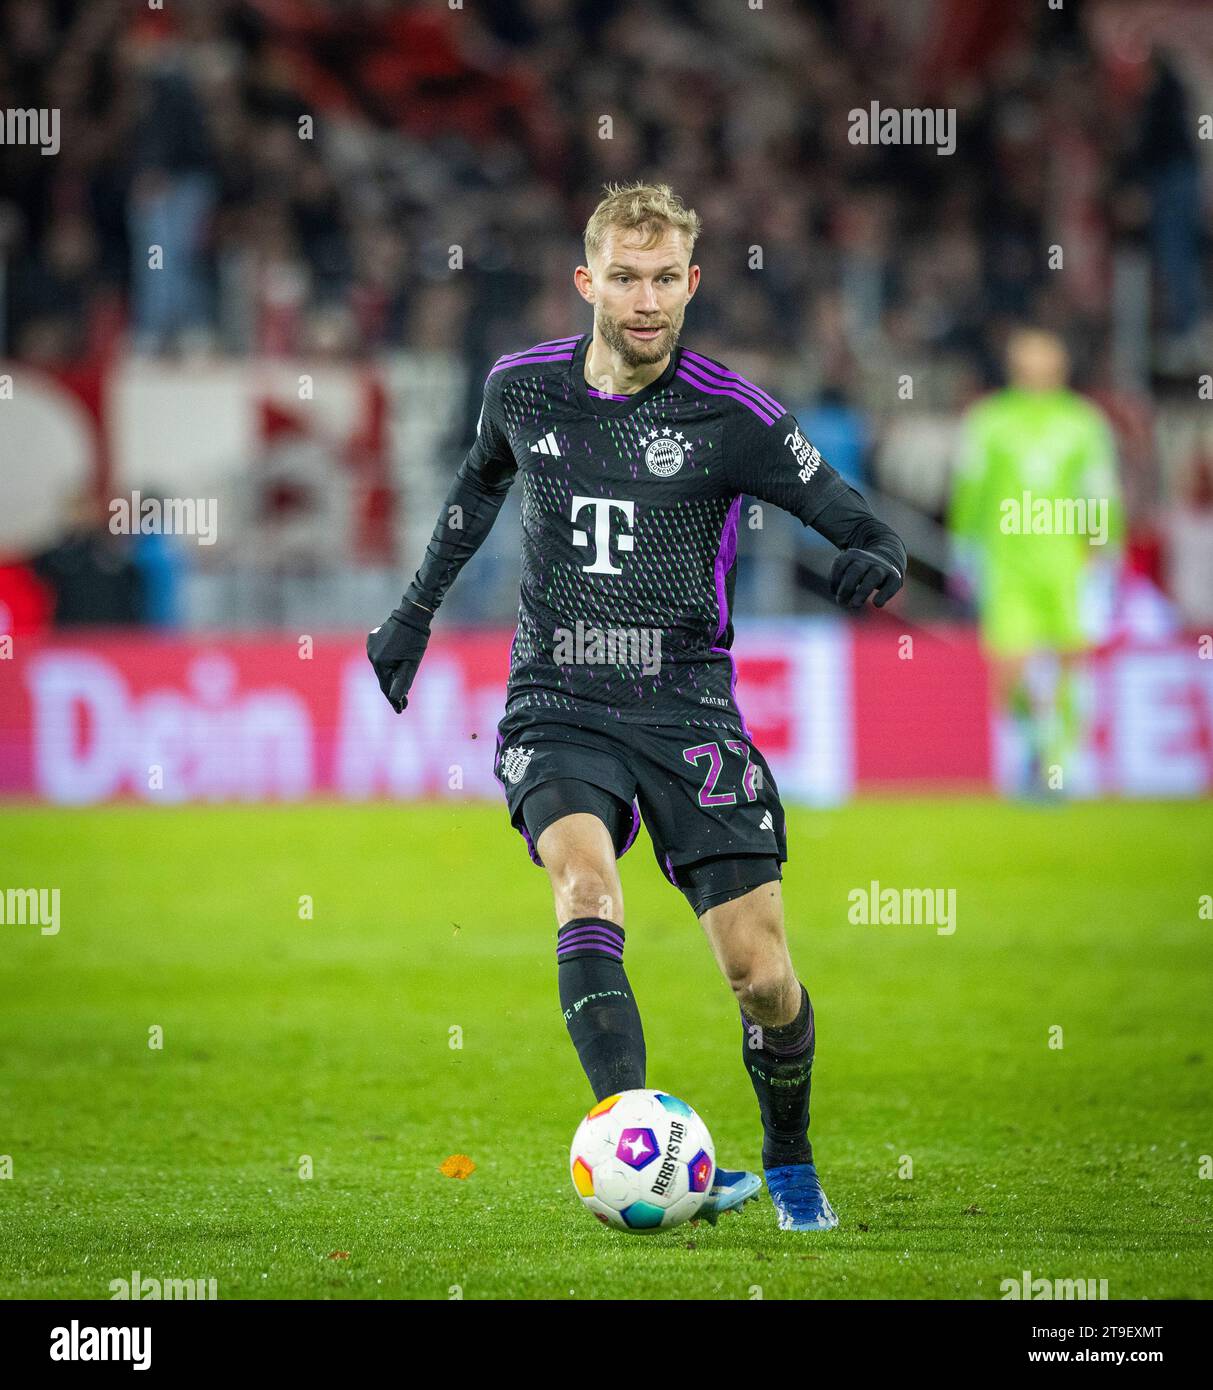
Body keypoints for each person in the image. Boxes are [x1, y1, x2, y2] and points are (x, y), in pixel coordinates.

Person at [368, 183, 906, 1231]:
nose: (646, 298)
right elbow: (477, 487)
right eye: (625, 276)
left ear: (693, 283)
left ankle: (787, 1156)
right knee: (583, 889)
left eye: (665, 278)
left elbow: (852, 518)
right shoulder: (521, 390)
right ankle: (634, 1143)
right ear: (588, 283)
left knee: (760, 976)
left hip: (688, 709)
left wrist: (875, 560)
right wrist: (413, 612)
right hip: (558, 696)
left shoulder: (733, 414)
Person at [948, 328, 1122, 795]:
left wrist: (1105, 553)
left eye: (1043, 359)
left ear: (1059, 365)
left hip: (1068, 563)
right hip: (1007, 564)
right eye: (1026, 360)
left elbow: (1100, 494)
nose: (1034, 368)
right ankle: (1036, 742)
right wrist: (963, 548)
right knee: (1009, 666)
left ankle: (1058, 766)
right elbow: (969, 488)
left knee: (1071, 659)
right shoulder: (989, 420)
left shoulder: (1083, 421)